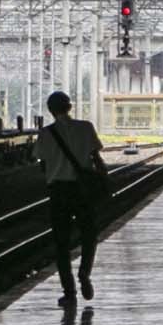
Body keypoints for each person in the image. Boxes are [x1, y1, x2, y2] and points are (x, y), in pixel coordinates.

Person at [36, 89, 104, 299]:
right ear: (70, 107)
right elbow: (96, 156)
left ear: (50, 110)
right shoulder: (86, 128)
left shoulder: (46, 134)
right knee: (89, 234)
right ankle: (85, 272)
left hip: (59, 190)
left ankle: (69, 291)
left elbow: (42, 163)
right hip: (82, 189)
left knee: (61, 242)